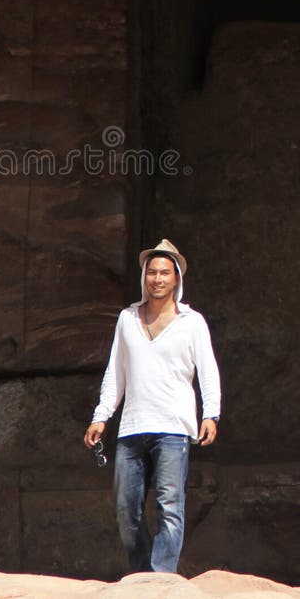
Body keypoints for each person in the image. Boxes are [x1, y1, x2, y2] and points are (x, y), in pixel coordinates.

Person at [83, 238, 221, 574]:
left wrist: (211, 413)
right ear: (145, 277)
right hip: (132, 426)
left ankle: (161, 580)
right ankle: (143, 575)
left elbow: (208, 370)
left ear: (176, 279)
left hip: (174, 428)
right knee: (126, 510)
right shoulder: (127, 318)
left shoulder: (192, 322)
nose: (157, 279)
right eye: (152, 272)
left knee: (170, 508)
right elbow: (116, 372)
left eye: (164, 273)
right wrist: (101, 416)